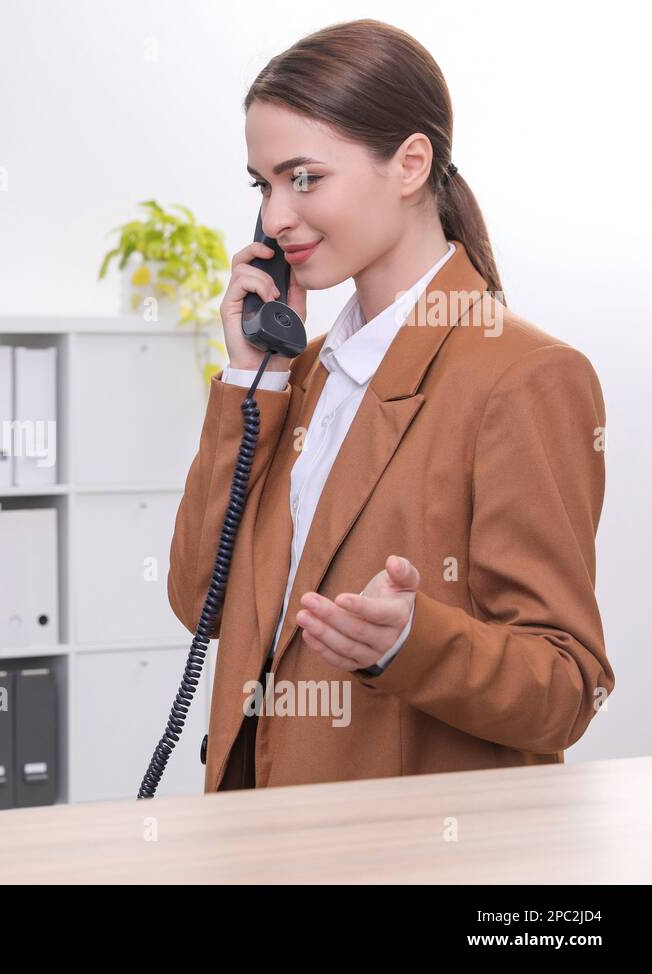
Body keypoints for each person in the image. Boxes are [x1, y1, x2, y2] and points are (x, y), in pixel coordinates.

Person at [167, 19, 613, 791]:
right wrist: (252, 383)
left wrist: (410, 639)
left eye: (303, 177)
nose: (274, 217)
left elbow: (567, 687)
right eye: (262, 184)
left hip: (402, 857)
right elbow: (199, 603)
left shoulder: (525, 376)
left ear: (410, 164)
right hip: (252, 845)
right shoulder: (293, 377)